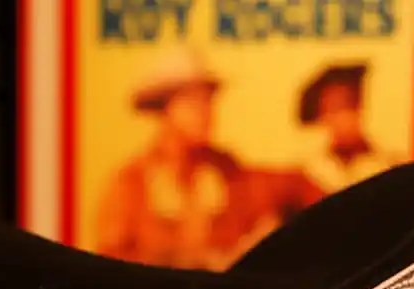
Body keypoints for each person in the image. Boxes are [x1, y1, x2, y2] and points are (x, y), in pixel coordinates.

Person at [96, 47, 322, 271]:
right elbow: (111, 262)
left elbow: (297, 187)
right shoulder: (131, 183)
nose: (206, 111)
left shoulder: (228, 172)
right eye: (192, 102)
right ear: (164, 109)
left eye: (208, 100)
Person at [297, 63, 400, 192]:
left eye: (345, 106)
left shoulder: (390, 164)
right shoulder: (312, 170)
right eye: (330, 110)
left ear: (359, 108)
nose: (339, 118)